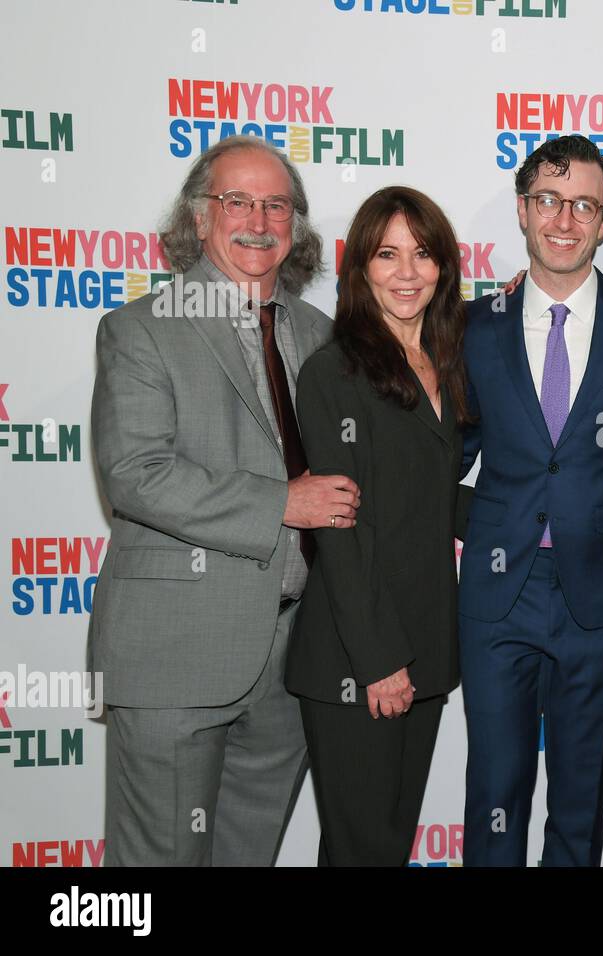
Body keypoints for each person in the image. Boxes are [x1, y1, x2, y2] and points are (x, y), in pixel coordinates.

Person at [89, 135, 356, 866]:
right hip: (178, 650)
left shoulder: (321, 336)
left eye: (277, 204)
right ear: (199, 218)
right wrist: (282, 503)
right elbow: (137, 474)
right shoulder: (141, 330)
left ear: (296, 226)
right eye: (237, 200)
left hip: (293, 658)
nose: (258, 220)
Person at [458, 135, 603, 866]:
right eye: (549, 199)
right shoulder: (470, 326)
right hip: (497, 594)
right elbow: (439, 459)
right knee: (494, 795)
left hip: (602, 595)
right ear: (523, 210)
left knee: (581, 806)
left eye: (585, 204)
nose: (565, 219)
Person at [286, 187, 470, 866]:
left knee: (381, 848)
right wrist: (379, 660)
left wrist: (539, 520)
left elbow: (429, 498)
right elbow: (341, 524)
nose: (405, 271)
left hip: (424, 646)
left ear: (445, 267)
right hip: (355, 656)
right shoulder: (334, 371)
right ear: (360, 267)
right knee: (363, 848)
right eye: (387, 254)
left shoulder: (445, 364)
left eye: (422, 254)